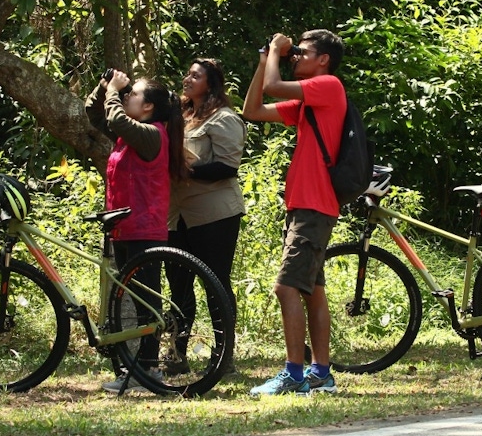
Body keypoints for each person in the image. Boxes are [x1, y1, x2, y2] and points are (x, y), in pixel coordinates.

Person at [241, 29, 346, 396]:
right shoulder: (306, 104)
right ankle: (321, 373)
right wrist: (262, 60)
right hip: (305, 206)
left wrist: (274, 51)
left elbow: (273, 86)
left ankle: (295, 375)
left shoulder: (329, 85)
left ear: (324, 60)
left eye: (303, 52)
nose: (295, 56)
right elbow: (252, 110)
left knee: (285, 288)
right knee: (312, 292)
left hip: (314, 208)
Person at [84, 70, 186, 393]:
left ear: (148, 108)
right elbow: (95, 113)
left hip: (145, 231)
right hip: (126, 229)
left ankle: (148, 372)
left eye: (133, 94)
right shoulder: (130, 134)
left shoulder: (151, 134)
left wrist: (115, 92)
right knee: (133, 302)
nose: (127, 96)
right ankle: (138, 371)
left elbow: (115, 119)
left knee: (145, 305)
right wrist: (104, 87)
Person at [165, 58, 246, 375]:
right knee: (177, 287)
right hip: (177, 214)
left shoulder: (224, 118)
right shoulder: (179, 117)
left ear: (210, 84)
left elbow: (227, 167)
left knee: (216, 283)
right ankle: (175, 354)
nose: (187, 78)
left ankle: (223, 356)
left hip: (214, 214)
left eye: (195, 75)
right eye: (187, 73)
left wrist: (185, 170)